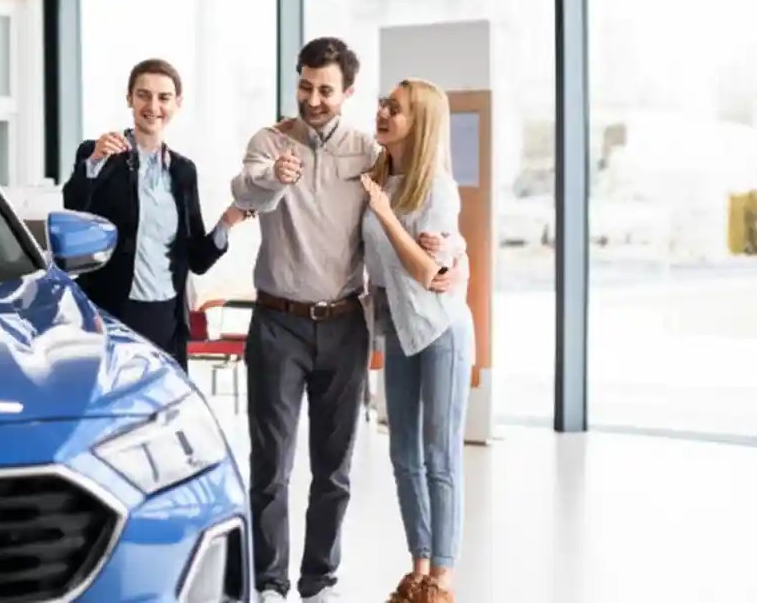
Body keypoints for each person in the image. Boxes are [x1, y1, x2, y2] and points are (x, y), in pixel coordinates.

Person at [230, 37, 465, 602]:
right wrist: (273, 178)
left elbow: (418, 205)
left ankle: (319, 582)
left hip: (344, 324)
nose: (313, 98)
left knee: (333, 470)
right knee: (271, 465)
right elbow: (243, 190)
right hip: (277, 322)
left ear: (348, 93)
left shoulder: (369, 154)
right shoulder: (270, 141)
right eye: (305, 85)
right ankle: (269, 583)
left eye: (326, 89)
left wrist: (456, 249)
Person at [360, 79, 473, 603]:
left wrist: (386, 214)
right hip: (400, 328)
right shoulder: (377, 173)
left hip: (442, 328)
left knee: (439, 452)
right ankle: (419, 569)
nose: (383, 113)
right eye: (383, 104)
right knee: (403, 452)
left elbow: (429, 271)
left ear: (419, 122)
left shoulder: (435, 188)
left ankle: (443, 579)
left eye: (395, 109)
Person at [63, 58, 249, 370]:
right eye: (143, 95)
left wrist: (228, 222)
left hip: (166, 317)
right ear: (129, 99)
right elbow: (73, 205)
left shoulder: (183, 171)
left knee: (160, 410)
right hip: (112, 310)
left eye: (163, 97)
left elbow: (197, 259)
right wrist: (94, 161)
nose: (153, 106)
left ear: (177, 103)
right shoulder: (100, 154)